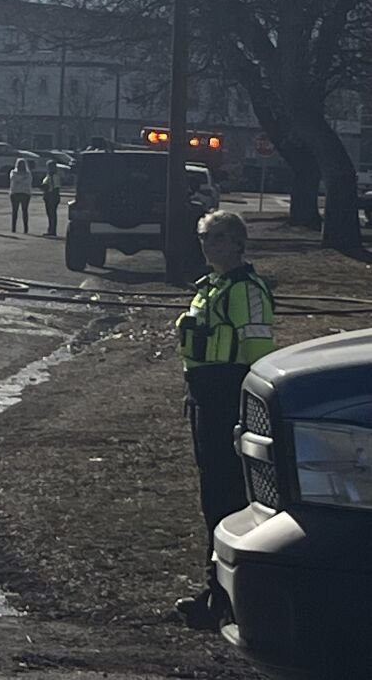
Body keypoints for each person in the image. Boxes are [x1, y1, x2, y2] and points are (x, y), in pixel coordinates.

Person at [173, 209, 275, 630]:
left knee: (231, 499)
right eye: (203, 238)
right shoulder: (210, 287)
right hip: (204, 400)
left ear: (237, 243)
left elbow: (257, 353)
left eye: (216, 238)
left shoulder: (245, 289)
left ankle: (231, 597)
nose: (207, 246)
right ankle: (215, 590)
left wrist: (249, 411)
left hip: (229, 401)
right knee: (211, 498)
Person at [7, 157, 32, 233]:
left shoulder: (28, 174)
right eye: (19, 164)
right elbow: (13, 179)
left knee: (25, 211)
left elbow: (28, 182)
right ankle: (13, 228)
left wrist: (19, 180)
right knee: (15, 211)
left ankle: (25, 229)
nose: (21, 166)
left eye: (22, 164)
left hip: (25, 193)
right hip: (15, 193)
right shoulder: (13, 172)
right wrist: (22, 179)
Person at [40, 161, 63, 237]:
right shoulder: (48, 175)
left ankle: (52, 230)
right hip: (47, 195)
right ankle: (50, 229)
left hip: (52, 196)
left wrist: (53, 196)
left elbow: (56, 188)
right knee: (49, 214)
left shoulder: (55, 176)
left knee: (52, 214)